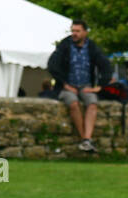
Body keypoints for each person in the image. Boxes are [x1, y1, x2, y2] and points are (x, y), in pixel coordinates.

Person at [46, 19, 112, 152]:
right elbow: (52, 65)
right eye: (73, 31)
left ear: (85, 32)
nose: (74, 33)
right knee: (73, 104)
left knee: (92, 103)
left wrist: (100, 86)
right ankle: (85, 140)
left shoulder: (92, 47)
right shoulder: (64, 46)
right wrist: (64, 84)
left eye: (77, 31)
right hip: (67, 86)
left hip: (85, 85)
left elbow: (106, 65)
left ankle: (86, 139)